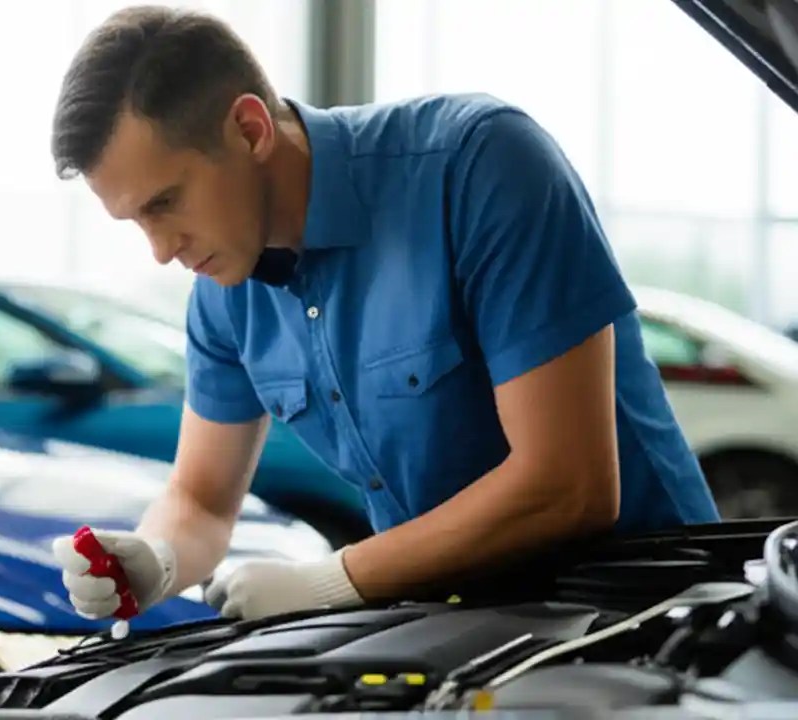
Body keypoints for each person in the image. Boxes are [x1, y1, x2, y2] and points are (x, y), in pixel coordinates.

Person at [48, 5, 721, 623]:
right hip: (463, 627)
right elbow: (200, 500)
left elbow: (567, 484)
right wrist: (157, 558)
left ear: (250, 129)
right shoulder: (224, 288)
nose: (161, 250)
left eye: (165, 203)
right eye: (135, 220)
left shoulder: (480, 166)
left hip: (649, 615)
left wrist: (332, 580)